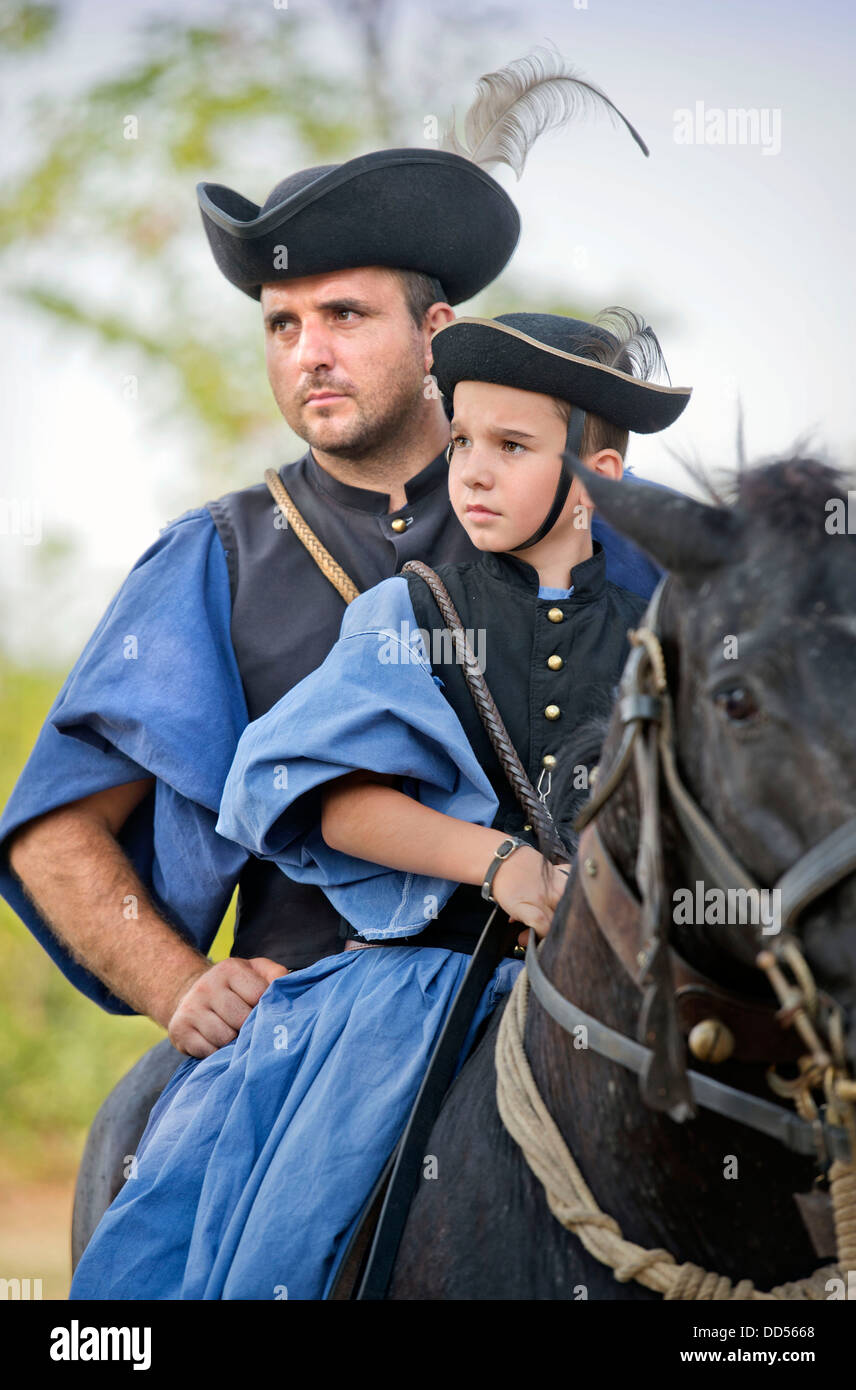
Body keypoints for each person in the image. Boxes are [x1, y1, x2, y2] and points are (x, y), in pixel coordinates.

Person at [68, 309, 691, 1300]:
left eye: (513, 447)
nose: (473, 473)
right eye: (464, 442)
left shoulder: (670, 633)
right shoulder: (414, 613)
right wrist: (504, 867)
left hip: (622, 995)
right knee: (293, 1227)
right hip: (419, 992)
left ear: (602, 479)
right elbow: (335, 806)